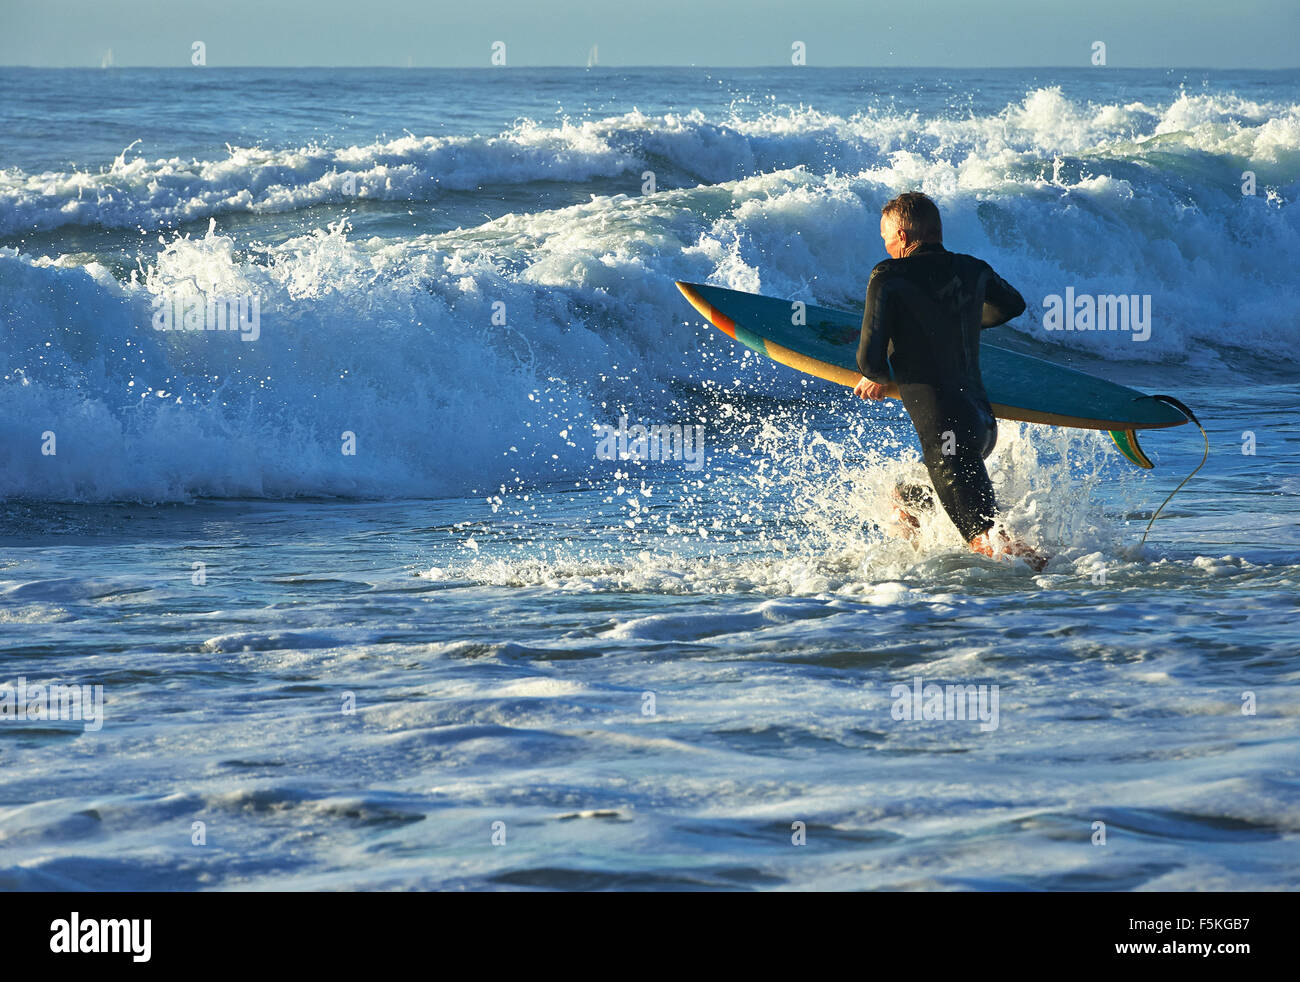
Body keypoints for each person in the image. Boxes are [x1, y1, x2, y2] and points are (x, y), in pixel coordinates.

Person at [853, 192, 1047, 571]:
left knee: (992, 546)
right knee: (905, 499)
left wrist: (875, 376)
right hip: (980, 425)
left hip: (946, 433)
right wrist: (957, 319)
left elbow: (868, 360)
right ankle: (917, 571)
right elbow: (1013, 305)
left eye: (886, 236)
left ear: (904, 236)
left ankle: (1066, 586)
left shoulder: (888, 276)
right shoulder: (974, 269)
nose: (885, 244)